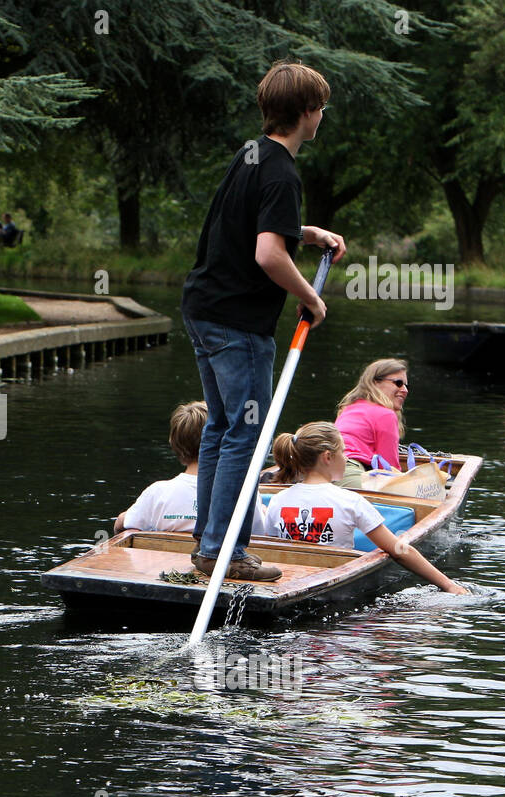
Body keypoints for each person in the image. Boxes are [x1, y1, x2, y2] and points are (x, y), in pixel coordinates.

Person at [179, 60, 346, 582]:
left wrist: (309, 232)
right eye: (320, 107)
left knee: (221, 429)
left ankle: (208, 542)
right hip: (237, 323)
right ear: (306, 112)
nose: (322, 116)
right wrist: (310, 300)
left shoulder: (251, 156)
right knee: (245, 436)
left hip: (202, 308)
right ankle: (225, 553)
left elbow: (258, 223)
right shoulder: (283, 170)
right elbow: (268, 255)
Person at [265, 422, 468, 594]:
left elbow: (271, 550)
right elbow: (399, 550)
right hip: (333, 587)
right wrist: (450, 586)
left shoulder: (277, 501)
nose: (346, 458)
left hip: (289, 583)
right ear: (327, 457)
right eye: (343, 452)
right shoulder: (350, 501)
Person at [114, 400, 265, 534]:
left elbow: (120, 524)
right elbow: (263, 533)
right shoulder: (243, 493)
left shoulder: (157, 493)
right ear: (223, 442)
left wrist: (124, 518)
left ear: (175, 443)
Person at [333, 358, 408, 487]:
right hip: (347, 469)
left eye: (406, 385)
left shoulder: (348, 408)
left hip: (321, 467)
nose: (405, 390)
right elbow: (388, 469)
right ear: (375, 382)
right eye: (398, 383)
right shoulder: (386, 414)